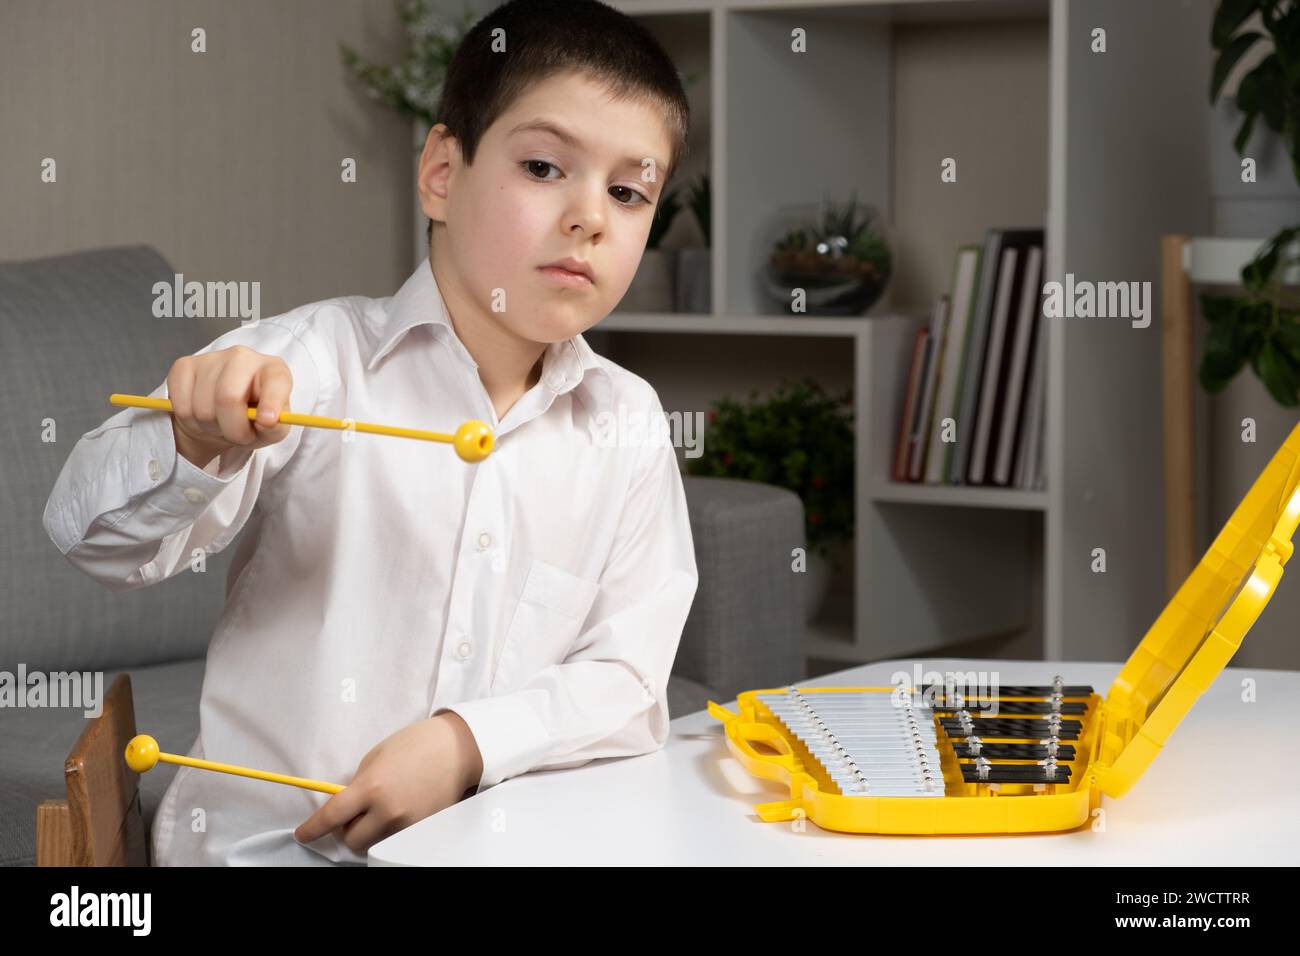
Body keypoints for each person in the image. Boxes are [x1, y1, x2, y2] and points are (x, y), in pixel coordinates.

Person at [42, 0, 698, 865]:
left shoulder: (628, 421)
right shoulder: (308, 362)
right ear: (440, 172)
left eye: (627, 191)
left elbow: (626, 682)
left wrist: (464, 744)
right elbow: (87, 540)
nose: (590, 216)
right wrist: (193, 443)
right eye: (544, 166)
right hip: (274, 853)